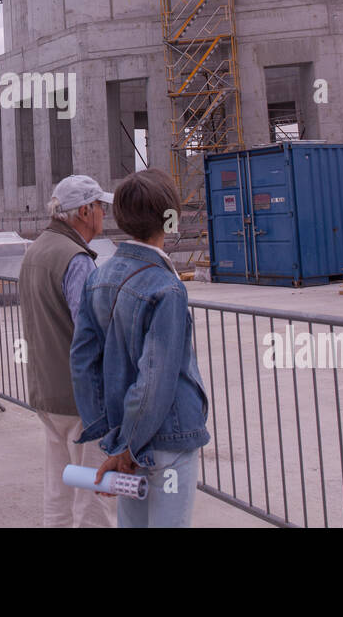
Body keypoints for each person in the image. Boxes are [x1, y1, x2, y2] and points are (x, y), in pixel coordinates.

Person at [70, 168, 209, 528]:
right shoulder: (167, 288)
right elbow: (155, 378)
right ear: (170, 216)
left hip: (123, 433)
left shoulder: (98, 276)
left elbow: (83, 363)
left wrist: (111, 436)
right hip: (168, 436)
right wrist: (130, 447)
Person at [18, 174, 115, 528]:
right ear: (85, 211)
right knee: (94, 496)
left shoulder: (37, 249)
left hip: (47, 391)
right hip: (80, 399)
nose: (104, 214)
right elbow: (91, 333)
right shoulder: (75, 259)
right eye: (101, 207)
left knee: (59, 488)